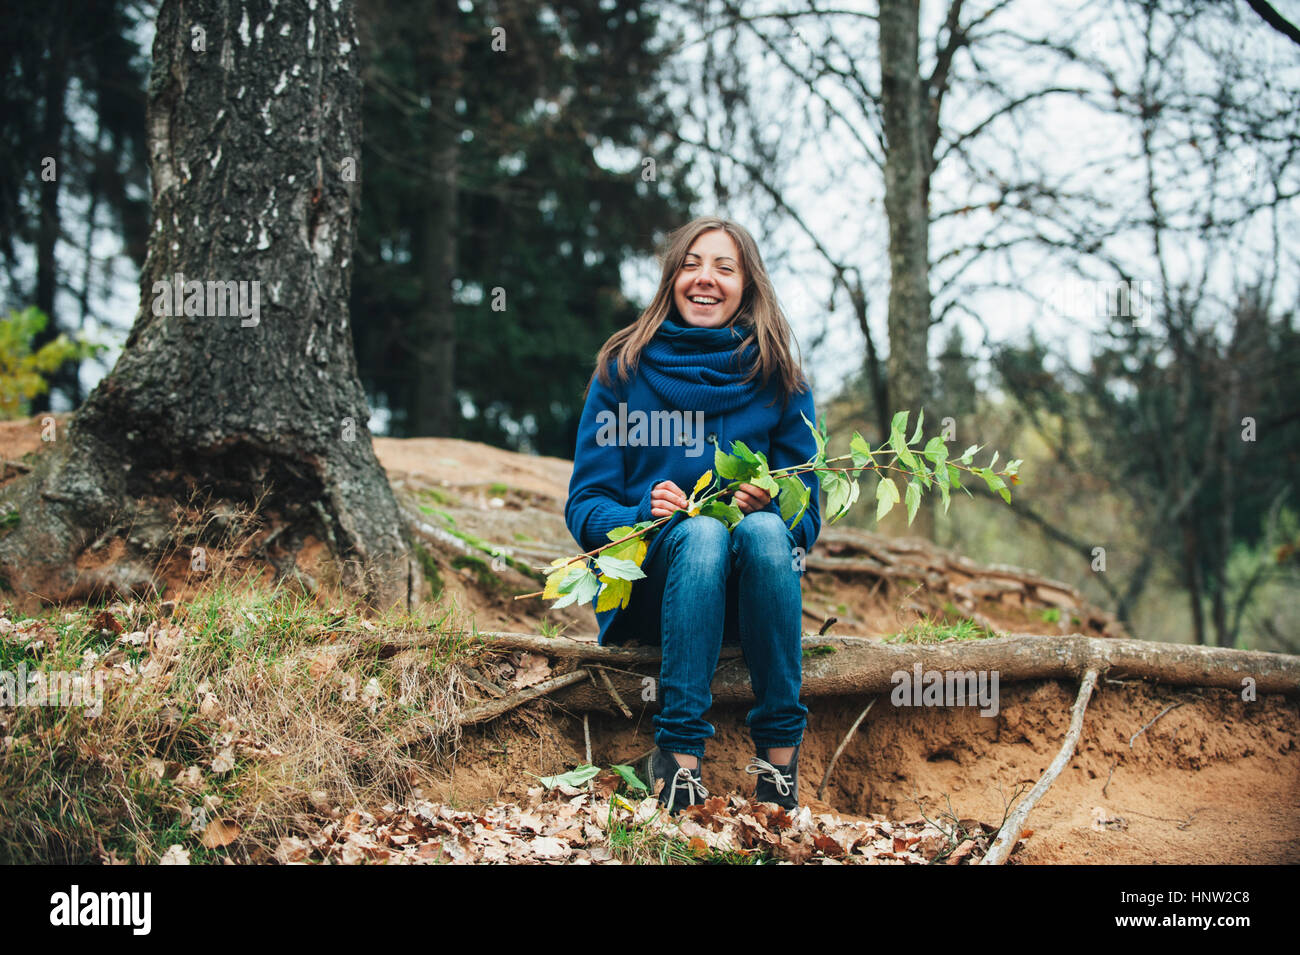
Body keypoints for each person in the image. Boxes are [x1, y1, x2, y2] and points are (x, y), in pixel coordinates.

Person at [563, 216, 822, 812]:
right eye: (691, 264)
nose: (706, 279)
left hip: (747, 605)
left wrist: (777, 508)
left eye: (725, 268)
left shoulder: (780, 377)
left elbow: (806, 513)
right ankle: (678, 761)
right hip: (652, 595)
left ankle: (780, 762)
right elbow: (585, 508)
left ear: (748, 285)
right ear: (671, 278)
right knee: (701, 531)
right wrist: (638, 513)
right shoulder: (623, 370)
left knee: (761, 528)